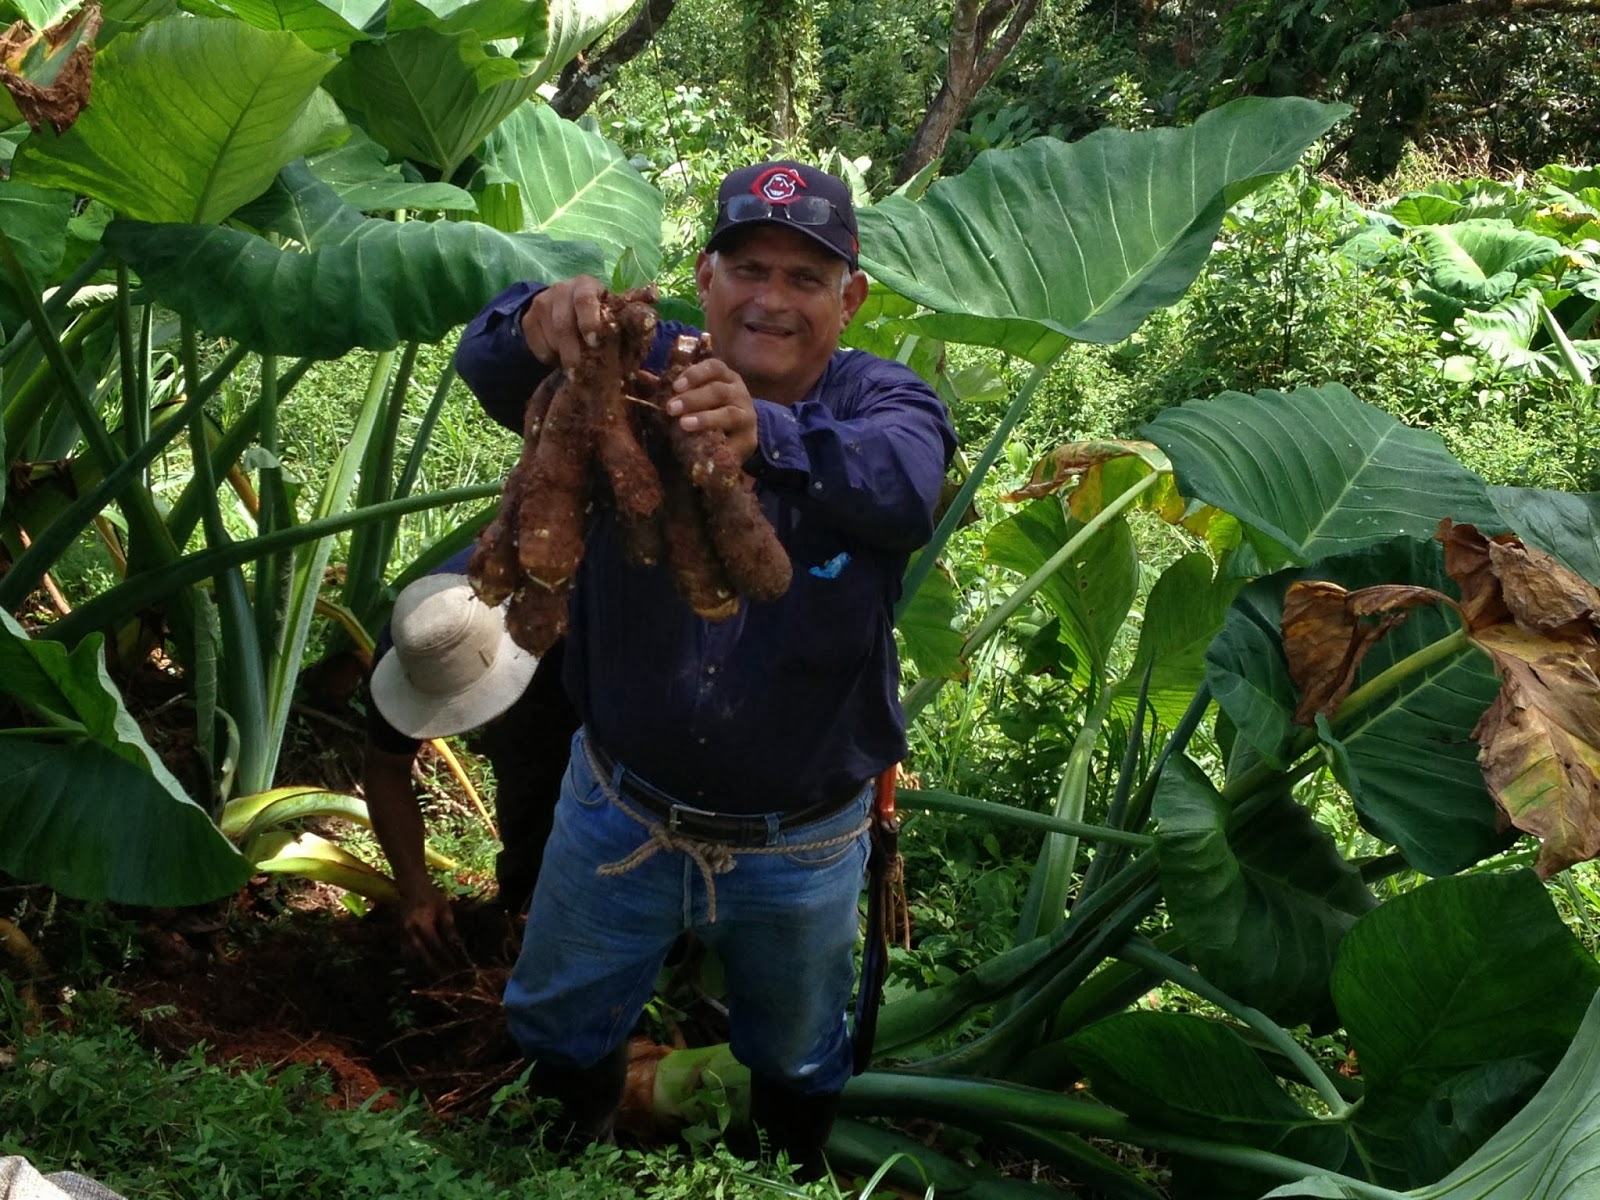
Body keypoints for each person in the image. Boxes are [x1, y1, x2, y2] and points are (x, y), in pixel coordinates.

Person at [454, 160, 957, 1172]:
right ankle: (568, 1163)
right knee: (557, 1023)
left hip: (800, 842)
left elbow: (906, 482)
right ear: (707, 276)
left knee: (799, 1053)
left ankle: (783, 1175)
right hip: (620, 809)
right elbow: (488, 364)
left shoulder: (880, 402)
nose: (771, 298)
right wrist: (537, 321)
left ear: (848, 296)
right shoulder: (648, 368)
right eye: (747, 268)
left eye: (805, 277)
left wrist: (761, 434)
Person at [364, 549, 578, 973]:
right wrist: (414, 887)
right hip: (533, 704)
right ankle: (521, 921)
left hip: (575, 664)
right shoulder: (414, 643)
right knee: (530, 790)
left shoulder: (576, 608)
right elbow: (386, 769)